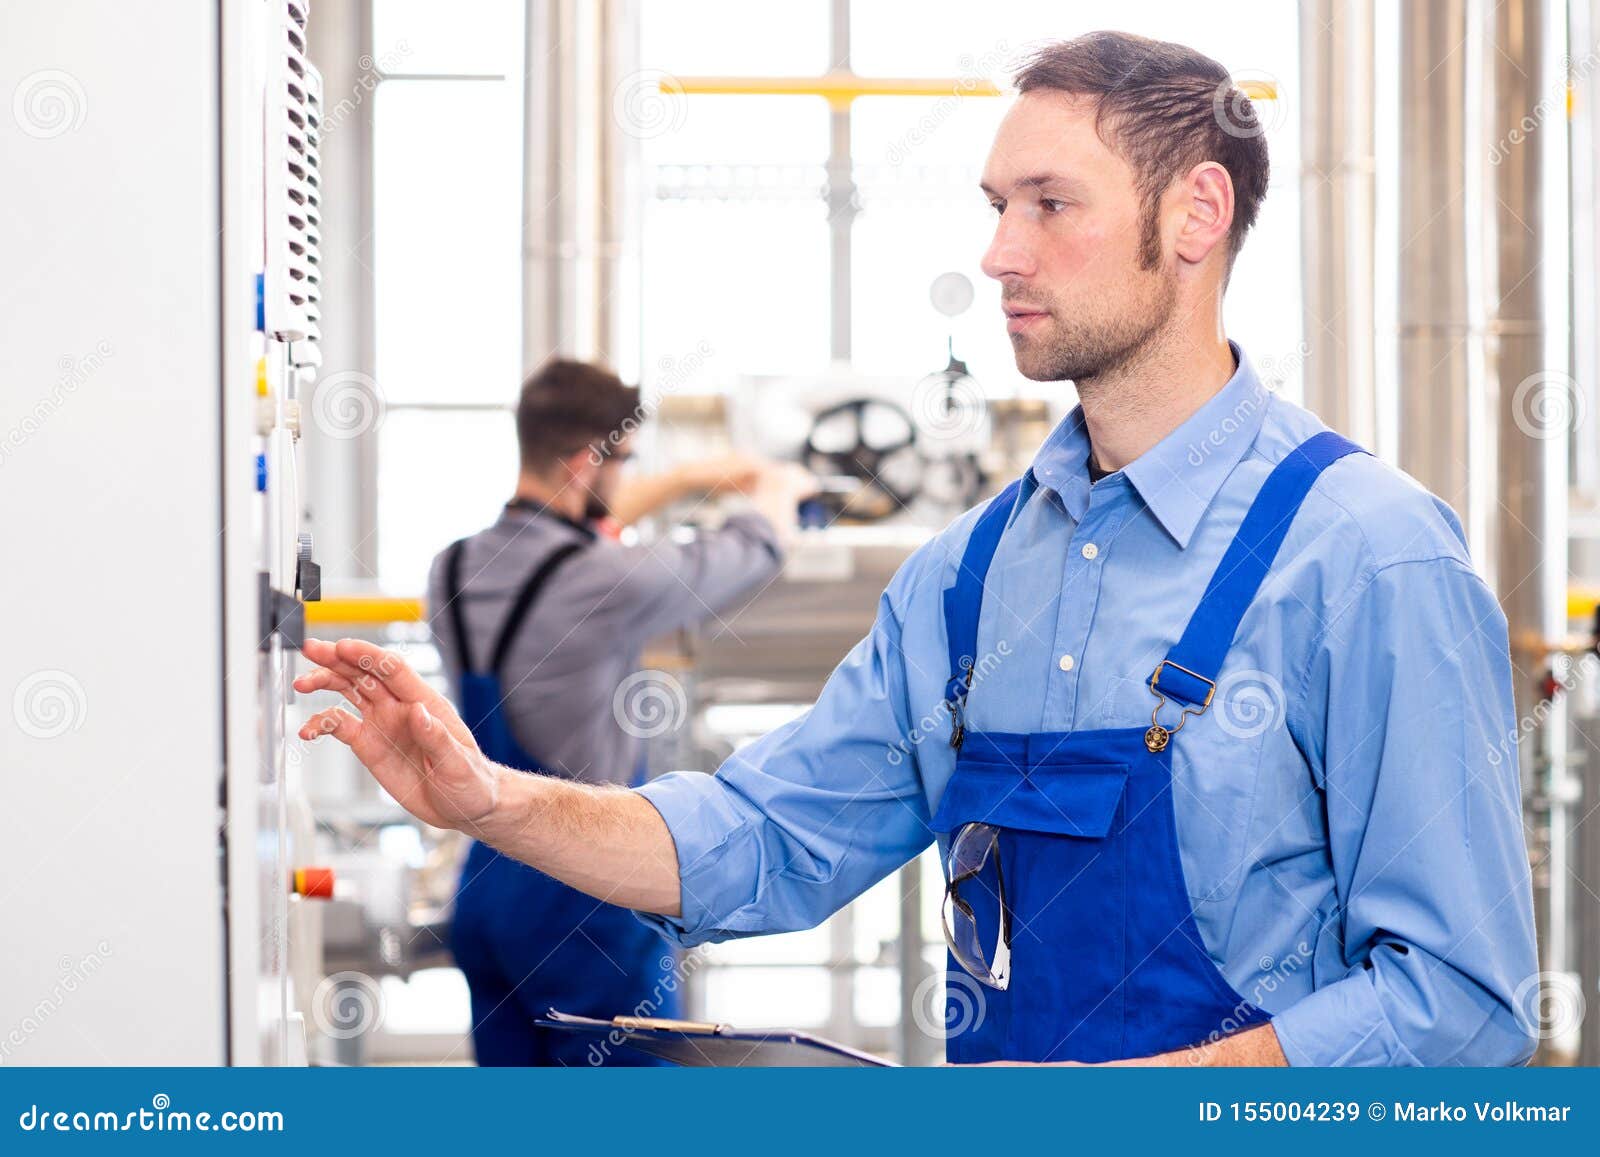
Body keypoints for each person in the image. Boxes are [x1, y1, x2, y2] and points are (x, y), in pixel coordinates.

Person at [297, 32, 1539, 1066]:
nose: (999, 252)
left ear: (1195, 213)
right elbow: (761, 838)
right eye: (998, 208)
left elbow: (1463, 998)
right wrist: (491, 799)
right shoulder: (969, 576)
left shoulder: (1367, 559)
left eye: (1051, 205)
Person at [423, 358, 813, 1066]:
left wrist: (692, 474)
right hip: (581, 890)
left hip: (484, 890)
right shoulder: (601, 580)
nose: (626, 482)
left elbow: (570, 531)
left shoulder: (450, 568)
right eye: (621, 462)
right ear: (585, 462)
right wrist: (778, 490)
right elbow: (745, 552)